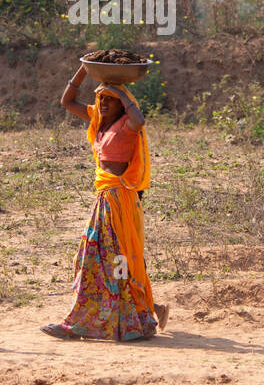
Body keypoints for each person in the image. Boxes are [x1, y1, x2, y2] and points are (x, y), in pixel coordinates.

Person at [40, 61, 169, 340]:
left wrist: (120, 92)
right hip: (105, 199)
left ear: (123, 104)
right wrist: (84, 69)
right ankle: (141, 314)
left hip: (119, 199)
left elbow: (140, 120)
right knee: (98, 258)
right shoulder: (98, 120)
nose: (105, 104)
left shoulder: (126, 125)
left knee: (107, 259)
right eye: (101, 99)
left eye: (110, 100)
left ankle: (99, 323)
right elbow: (67, 101)